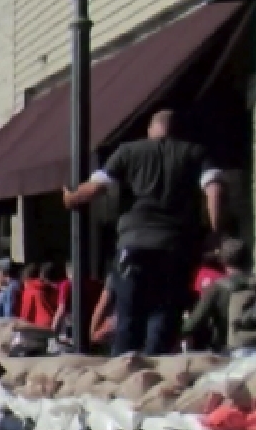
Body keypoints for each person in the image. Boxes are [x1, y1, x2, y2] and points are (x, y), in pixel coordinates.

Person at [63, 109, 224, 355]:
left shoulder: (128, 151)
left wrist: (71, 198)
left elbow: (96, 188)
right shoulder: (195, 152)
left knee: (128, 315)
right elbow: (214, 190)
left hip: (133, 245)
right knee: (164, 314)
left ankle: (125, 373)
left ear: (151, 129)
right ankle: (154, 372)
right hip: (175, 246)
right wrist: (214, 232)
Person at [182, 238, 252, 352]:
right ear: (249, 260)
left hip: (228, 348)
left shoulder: (217, 288)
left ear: (223, 261)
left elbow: (195, 322)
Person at [19, 262, 59, 329]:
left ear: (26, 279)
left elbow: (25, 314)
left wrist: (20, 326)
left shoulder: (29, 290)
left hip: (38, 327)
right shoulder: (52, 289)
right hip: (55, 323)